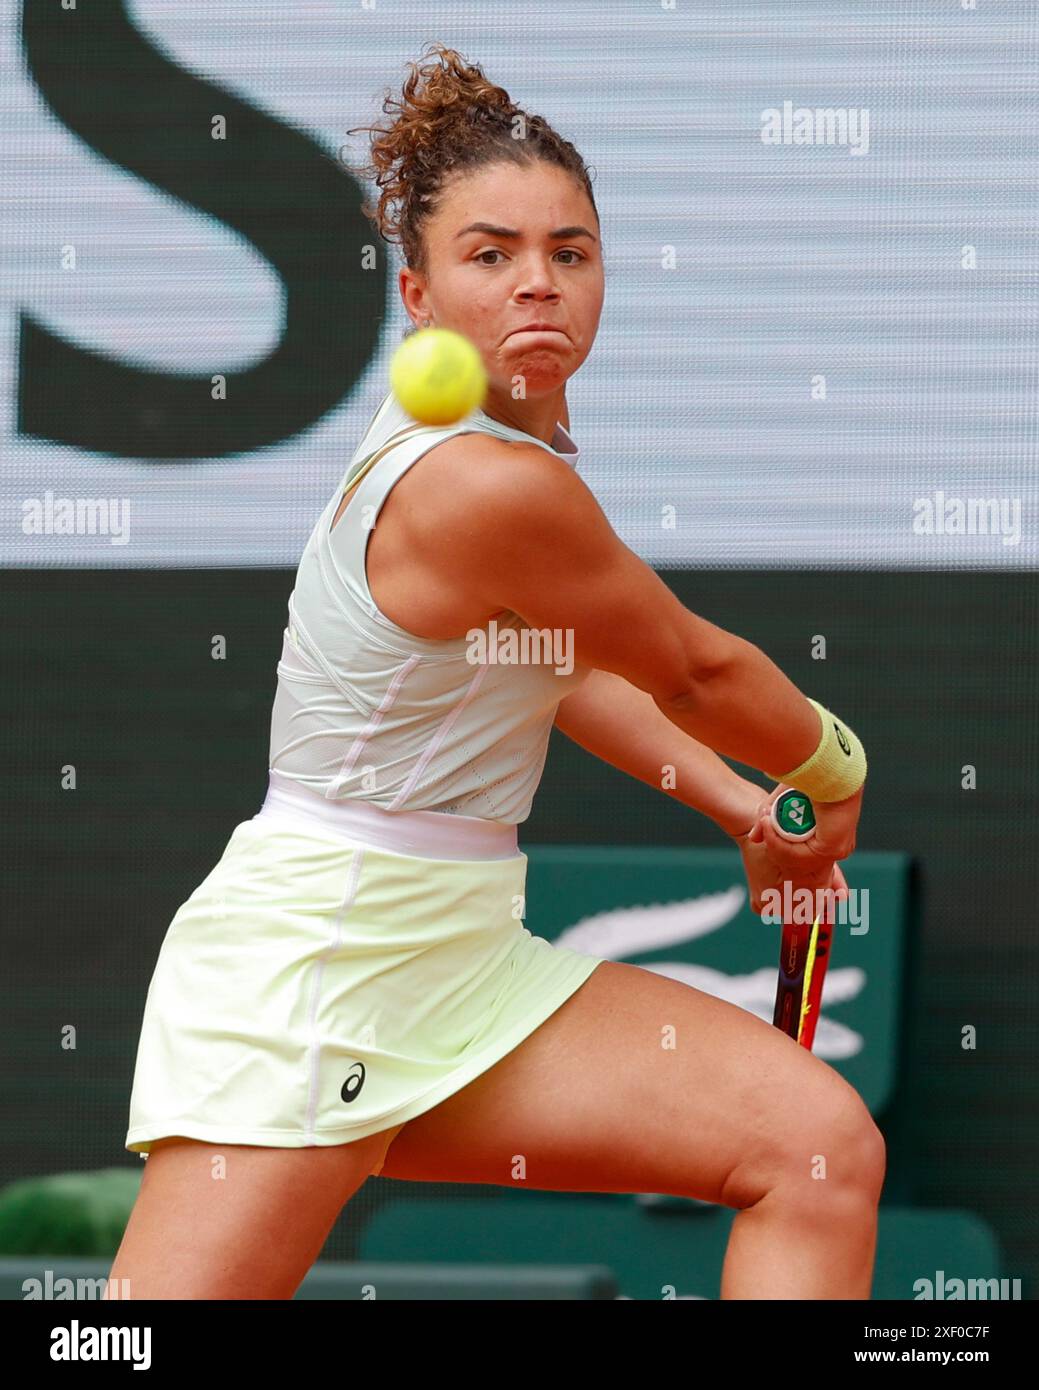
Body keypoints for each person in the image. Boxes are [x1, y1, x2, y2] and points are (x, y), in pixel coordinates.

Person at [106, 42, 878, 1301]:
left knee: (816, 1148)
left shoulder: (507, 446)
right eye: (491, 254)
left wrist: (740, 805)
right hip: (322, 967)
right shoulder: (480, 482)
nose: (539, 285)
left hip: (467, 961)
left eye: (569, 253)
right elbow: (691, 666)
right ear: (415, 291)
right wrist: (823, 768)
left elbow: (556, 673)